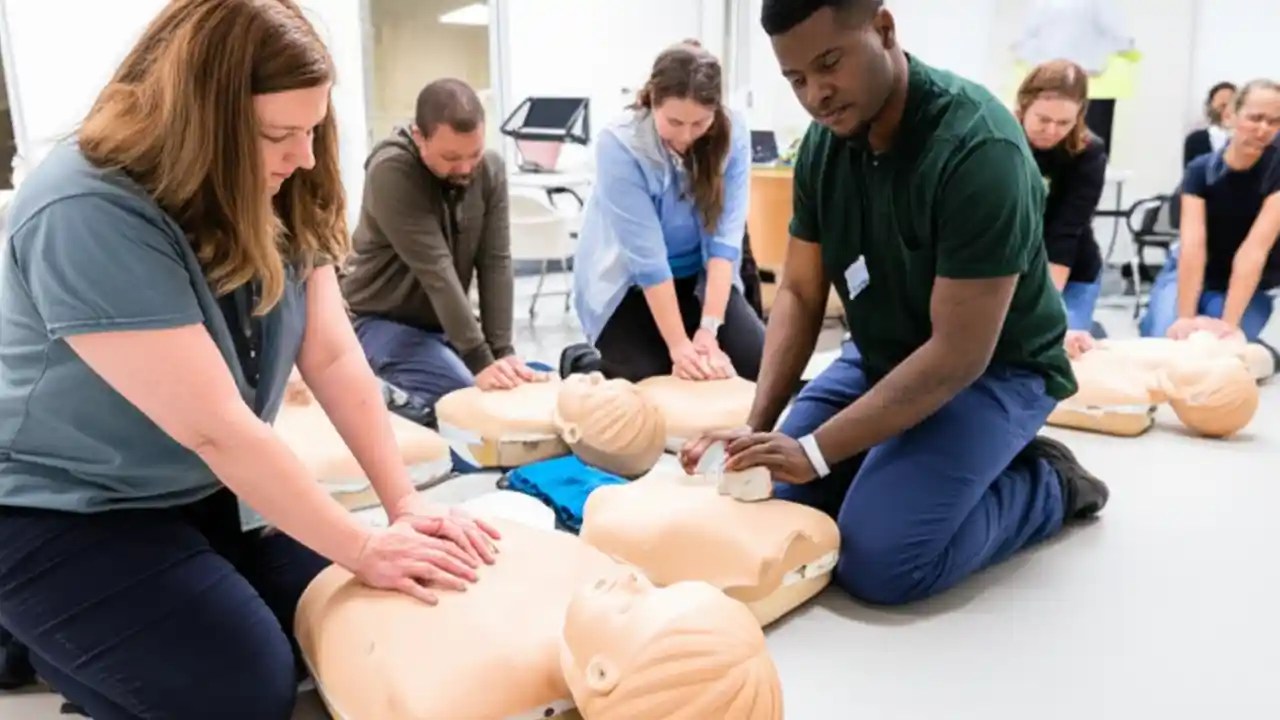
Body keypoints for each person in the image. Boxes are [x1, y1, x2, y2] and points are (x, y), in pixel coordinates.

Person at [0, 2, 498, 718]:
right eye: (278, 135)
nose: (301, 155)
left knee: (338, 624)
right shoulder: (83, 208)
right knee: (244, 692)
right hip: (60, 510)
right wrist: (361, 545)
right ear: (198, 121)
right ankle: (31, 634)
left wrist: (405, 505)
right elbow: (218, 429)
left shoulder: (284, 177)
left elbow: (329, 352)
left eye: (312, 130)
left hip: (194, 491)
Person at [681, 0, 1109, 607]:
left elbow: (960, 354)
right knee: (780, 499)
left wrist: (817, 449)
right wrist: (757, 428)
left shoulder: (979, 148)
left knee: (882, 560)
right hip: (885, 355)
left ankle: (1046, 483)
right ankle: (904, 461)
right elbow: (802, 292)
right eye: (796, 79)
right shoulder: (826, 147)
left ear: (883, 30)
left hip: (995, 371)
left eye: (829, 63)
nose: (816, 94)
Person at [568, 41, 764, 383]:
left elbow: (725, 242)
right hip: (632, 286)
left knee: (758, 365)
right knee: (650, 378)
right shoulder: (620, 145)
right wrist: (679, 347)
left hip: (700, 278)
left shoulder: (735, 133)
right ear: (652, 100)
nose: (686, 136)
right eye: (674, 121)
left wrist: (708, 330)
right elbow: (649, 261)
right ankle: (580, 361)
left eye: (699, 123)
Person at [341, 78, 539, 410]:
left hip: (443, 326)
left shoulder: (489, 169)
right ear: (420, 137)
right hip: (377, 321)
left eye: (472, 154)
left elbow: (495, 262)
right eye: (450, 157)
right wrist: (480, 360)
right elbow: (436, 269)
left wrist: (502, 352)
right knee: (466, 397)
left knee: (516, 382)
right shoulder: (392, 170)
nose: (464, 168)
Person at [1140, 79, 1280, 343]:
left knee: (1224, 346)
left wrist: (1229, 326)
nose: (1264, 129)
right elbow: (1192, 247)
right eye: (1255, 118)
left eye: (1274, 122)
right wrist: (1184, 318)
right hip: (1194, 269)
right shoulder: (1200, 170)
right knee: (1167, 338)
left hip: (1248, 280)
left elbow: (1254, 251)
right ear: (1230, 116)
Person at [1016, 59, 1108, 333]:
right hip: (1007, 266)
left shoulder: (1088, 153)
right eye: (1043, 119)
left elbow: (1065, 233)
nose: (1052, 131)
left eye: (1064, 122)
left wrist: (1046, 311)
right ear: (1023, 105)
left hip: (1069, 272)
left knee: (1050, 342)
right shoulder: (996, 140)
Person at [1185, 82, 1238, 168]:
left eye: (1232, 105)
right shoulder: (1195, 140)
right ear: (1211, 107)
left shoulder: (1247, 138)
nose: (1227, 111)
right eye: (1222, 106)